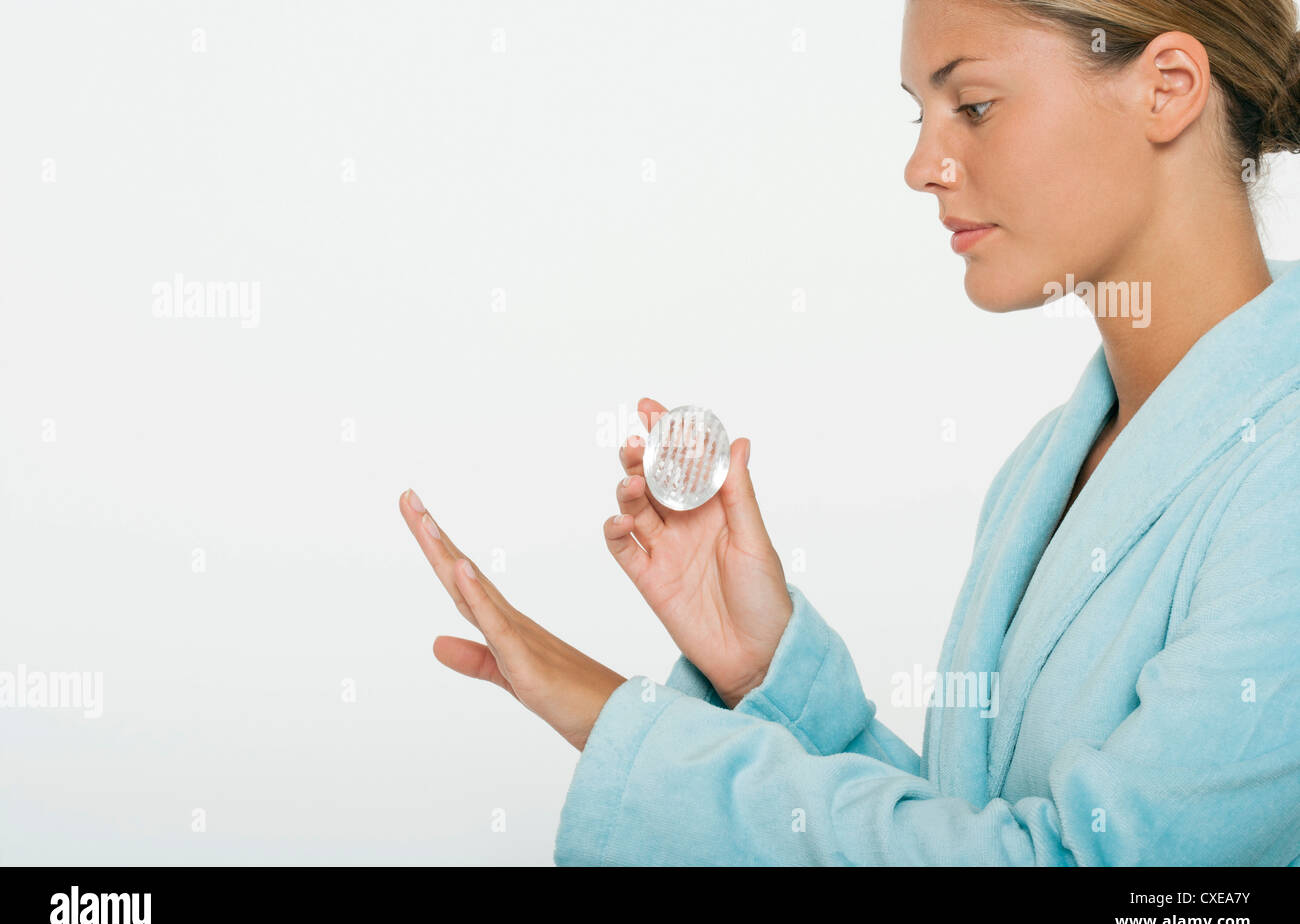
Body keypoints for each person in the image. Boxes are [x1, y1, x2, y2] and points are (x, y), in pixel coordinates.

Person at [399, 0, 1300, 865]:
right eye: (919, 115)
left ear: (1169, 86)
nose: (921, 166)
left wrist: (627, 733)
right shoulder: (1048, 464)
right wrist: (763, 677)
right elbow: (970, 831)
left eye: (973, 106)